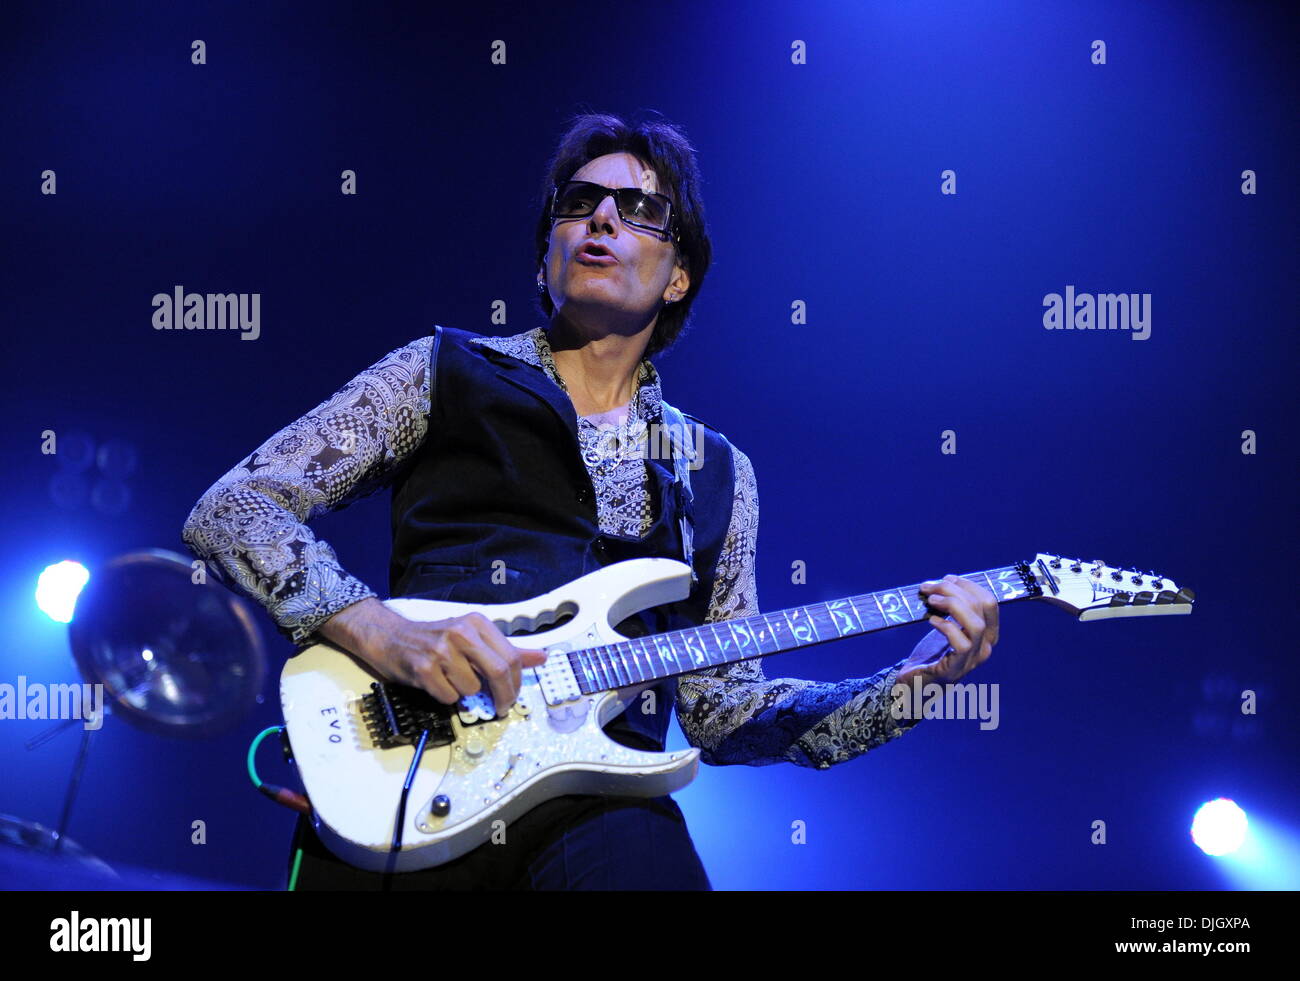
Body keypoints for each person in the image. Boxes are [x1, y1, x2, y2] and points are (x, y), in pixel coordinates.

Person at [180, 110, 1000, 891]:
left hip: (603, 809)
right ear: (545, 261)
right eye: (579, 204)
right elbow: (232, 508)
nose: (601, 217)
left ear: (679, 276)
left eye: (639, 208)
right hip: (407, 768)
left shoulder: (717, 471)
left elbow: (727, 713)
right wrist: (385, 634)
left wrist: (914, 682)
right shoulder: (438, 372)